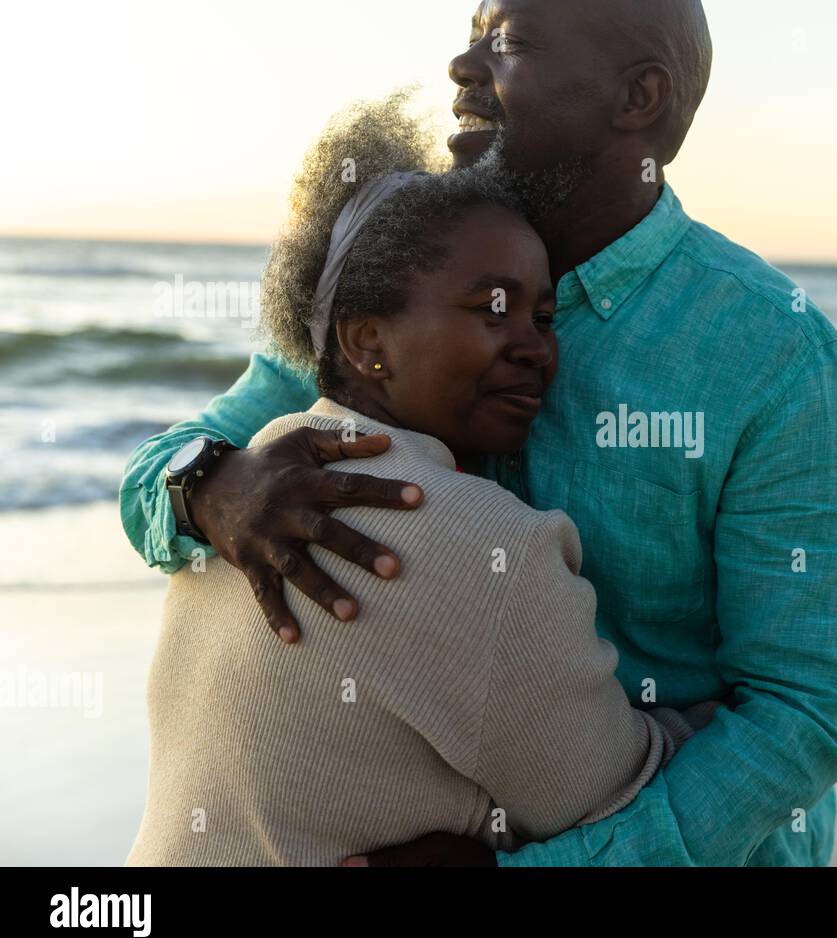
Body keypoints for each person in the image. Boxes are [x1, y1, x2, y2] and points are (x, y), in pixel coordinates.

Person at [120, 0, 837, 866]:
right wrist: (210, 488)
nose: (461, 67)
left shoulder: (776, 359)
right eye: (468, 33)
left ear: (637, 97)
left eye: (510, 44)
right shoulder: (389, 274)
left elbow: (807, 711)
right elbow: (155, 476)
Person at [126, 97, 711, 866]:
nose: (536, 348)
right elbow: (608, 796)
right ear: (366, 339)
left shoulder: (256, 474)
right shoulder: (490, 548)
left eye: (543, 316)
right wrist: (714, 715)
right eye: (492, 309)